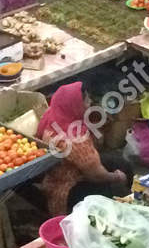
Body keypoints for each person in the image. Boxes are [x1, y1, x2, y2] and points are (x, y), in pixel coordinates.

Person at [37, 76, 130, 216]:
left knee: (119, 162)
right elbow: (96, 176)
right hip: (67, 188)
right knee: (114, 189)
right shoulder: (76, 140)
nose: (89, 102)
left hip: (55, 174)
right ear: (75, 105)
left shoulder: (51, 114)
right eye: (86, 100)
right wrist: (117, 177)